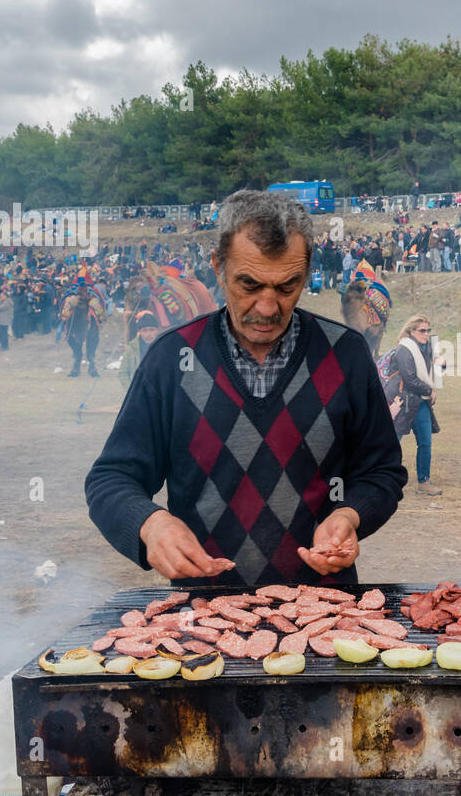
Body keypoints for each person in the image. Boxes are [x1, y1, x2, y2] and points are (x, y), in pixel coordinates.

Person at [85, 190, 406, 586]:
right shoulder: (171, 359)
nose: (268, 307)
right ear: (219, 268)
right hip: (203, 618)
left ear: (306, 273)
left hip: (323, 609)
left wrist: (349, 514)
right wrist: (150, 524)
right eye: (249, 285)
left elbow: (382, 472)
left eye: (287, 286)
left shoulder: (346, 354)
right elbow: (112, 479)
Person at [393, 313, 441, 496]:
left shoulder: (426, 348)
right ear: (411, 331)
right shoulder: (404, 349)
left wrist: (440, 365)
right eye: (422, 330)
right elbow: (410, 379)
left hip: (420, 403)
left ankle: (424, 481)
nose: (426, 334)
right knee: (393, 443)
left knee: (425, 443)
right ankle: (384, 479)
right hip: (404, 402)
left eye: (428, 330)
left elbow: (430, 371)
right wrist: (429, 390)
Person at [61, 283, 104, 377]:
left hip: (90, 325)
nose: (82, 294)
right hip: (75, 325)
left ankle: (92, 367)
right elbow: (64, 316)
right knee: (75, 347)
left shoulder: (93, 301)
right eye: (81, 291)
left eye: (84, 291)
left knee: (92, 345)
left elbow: (100, 315)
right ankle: (76, 366)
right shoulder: (71, 301)